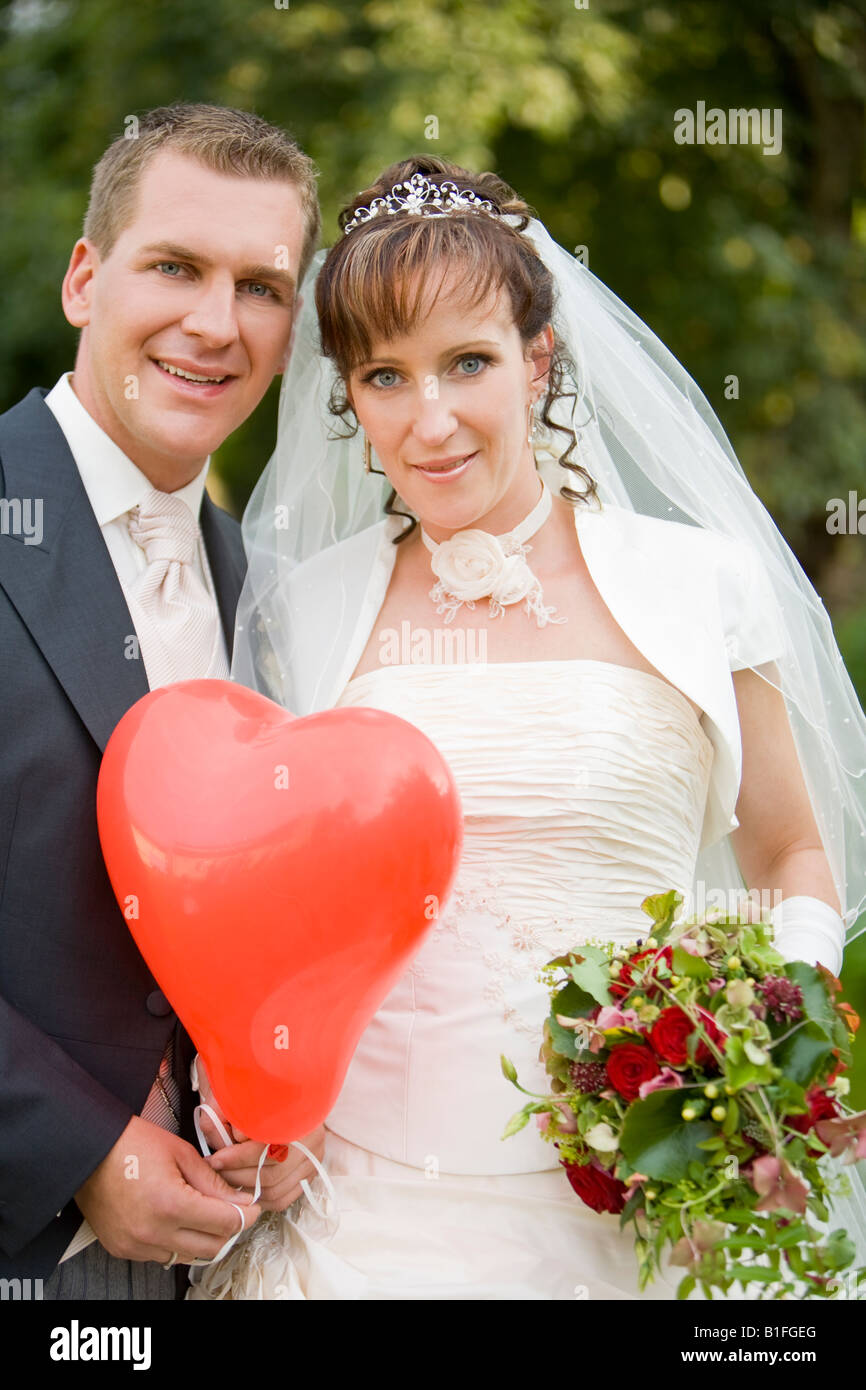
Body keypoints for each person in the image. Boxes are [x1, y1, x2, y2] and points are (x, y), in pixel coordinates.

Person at [201, 155, 866, 1299]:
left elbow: (787, 854)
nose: (431, 420)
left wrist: (757, 1044)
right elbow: (270, 916)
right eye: (384, 376)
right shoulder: (300, 612)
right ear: (348, 396)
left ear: (538, 357)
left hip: (636, 1210)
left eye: (468, 362)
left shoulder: (699, 585)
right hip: (360, 1215)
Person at [0, 103, 326, 1300]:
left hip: (213, 1263)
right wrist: (73, 1147)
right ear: (86, 278)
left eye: (259, 286)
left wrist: (281, 1099)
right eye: (175, 267)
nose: (212, 322)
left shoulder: (271, 595)